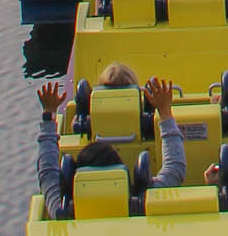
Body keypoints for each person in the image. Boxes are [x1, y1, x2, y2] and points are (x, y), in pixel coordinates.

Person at [35, 75, 184, 215]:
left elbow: (47, 172)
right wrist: (165, 112)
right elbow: (175, 167)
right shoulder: (146, 204)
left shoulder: (60, 211)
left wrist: (48, 114)